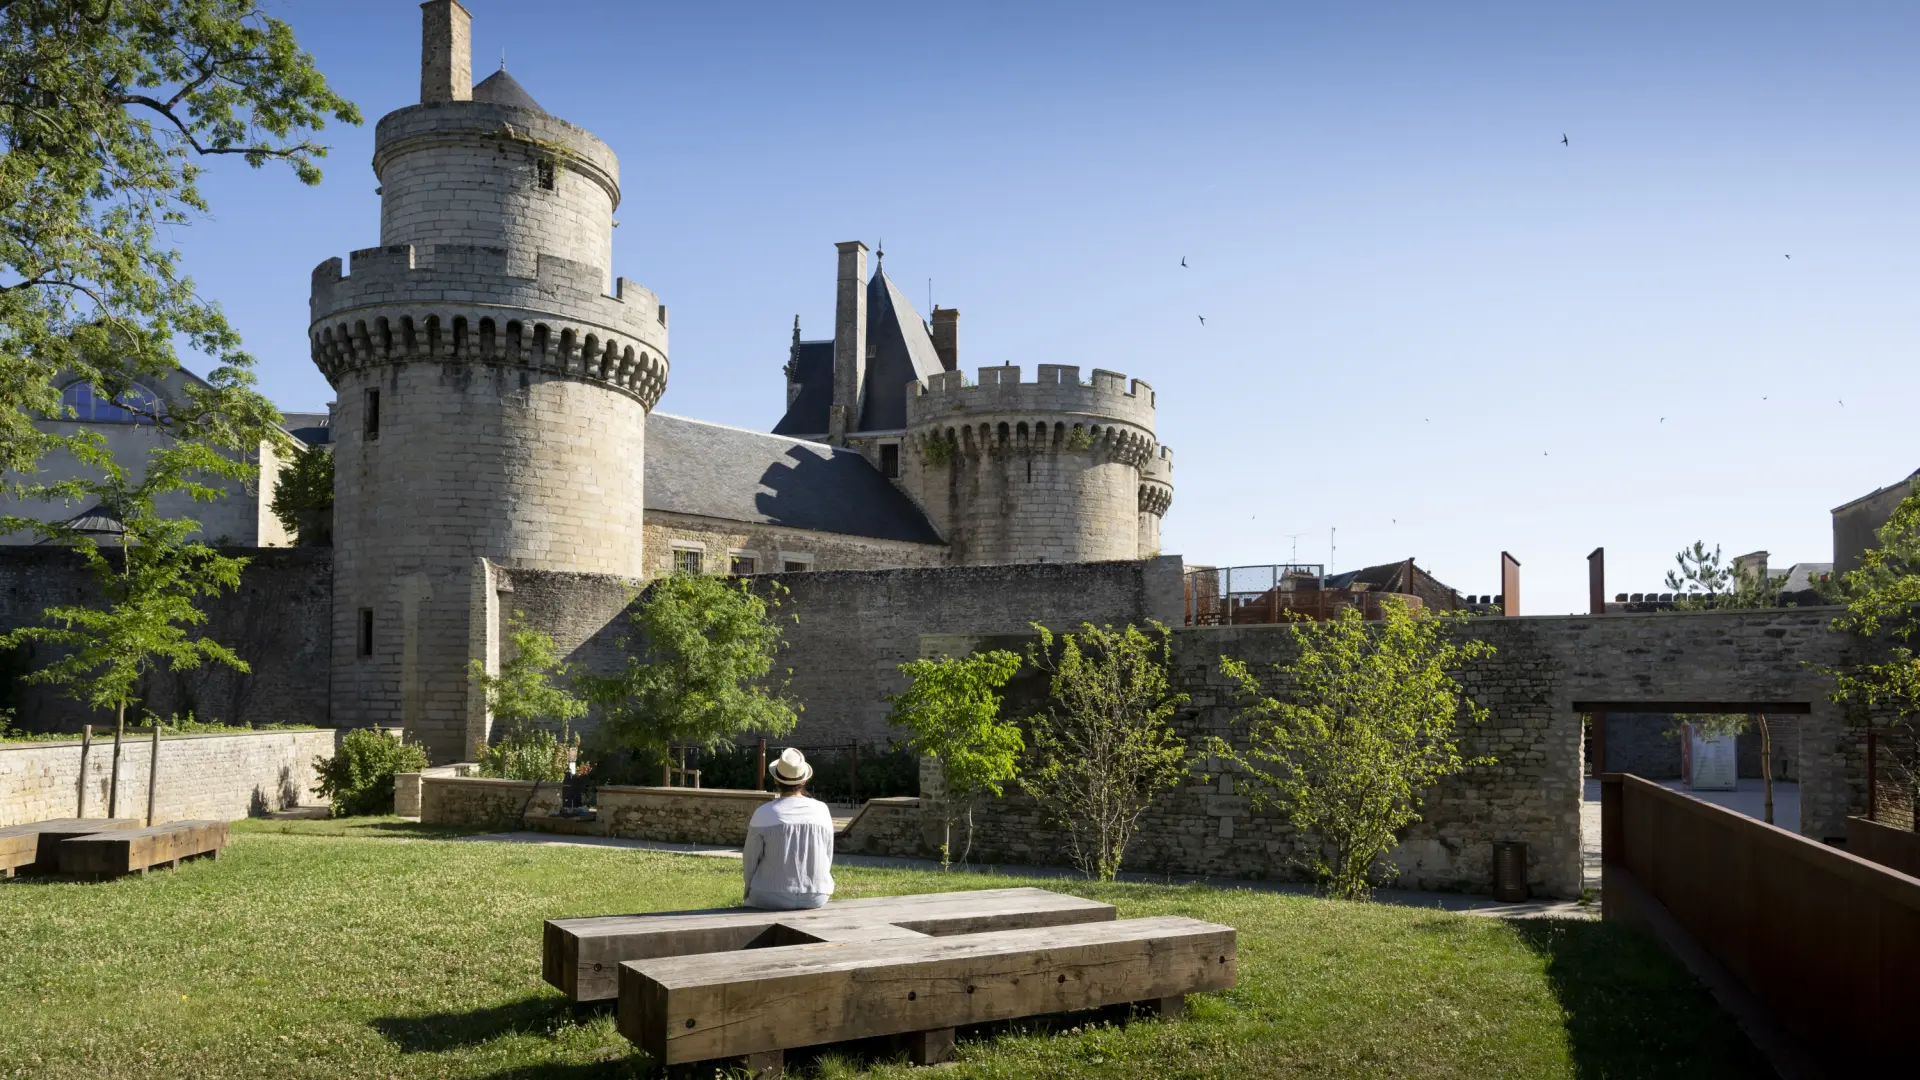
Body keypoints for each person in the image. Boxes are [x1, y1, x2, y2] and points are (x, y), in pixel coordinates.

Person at [742, 748, 836, 910]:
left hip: (769, 894)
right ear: (804, 781)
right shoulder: (822, 810)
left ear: (776, 780)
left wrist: (748, 891)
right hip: (816, 895)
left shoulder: (764, 812)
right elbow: (827, 855)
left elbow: (750, 860)